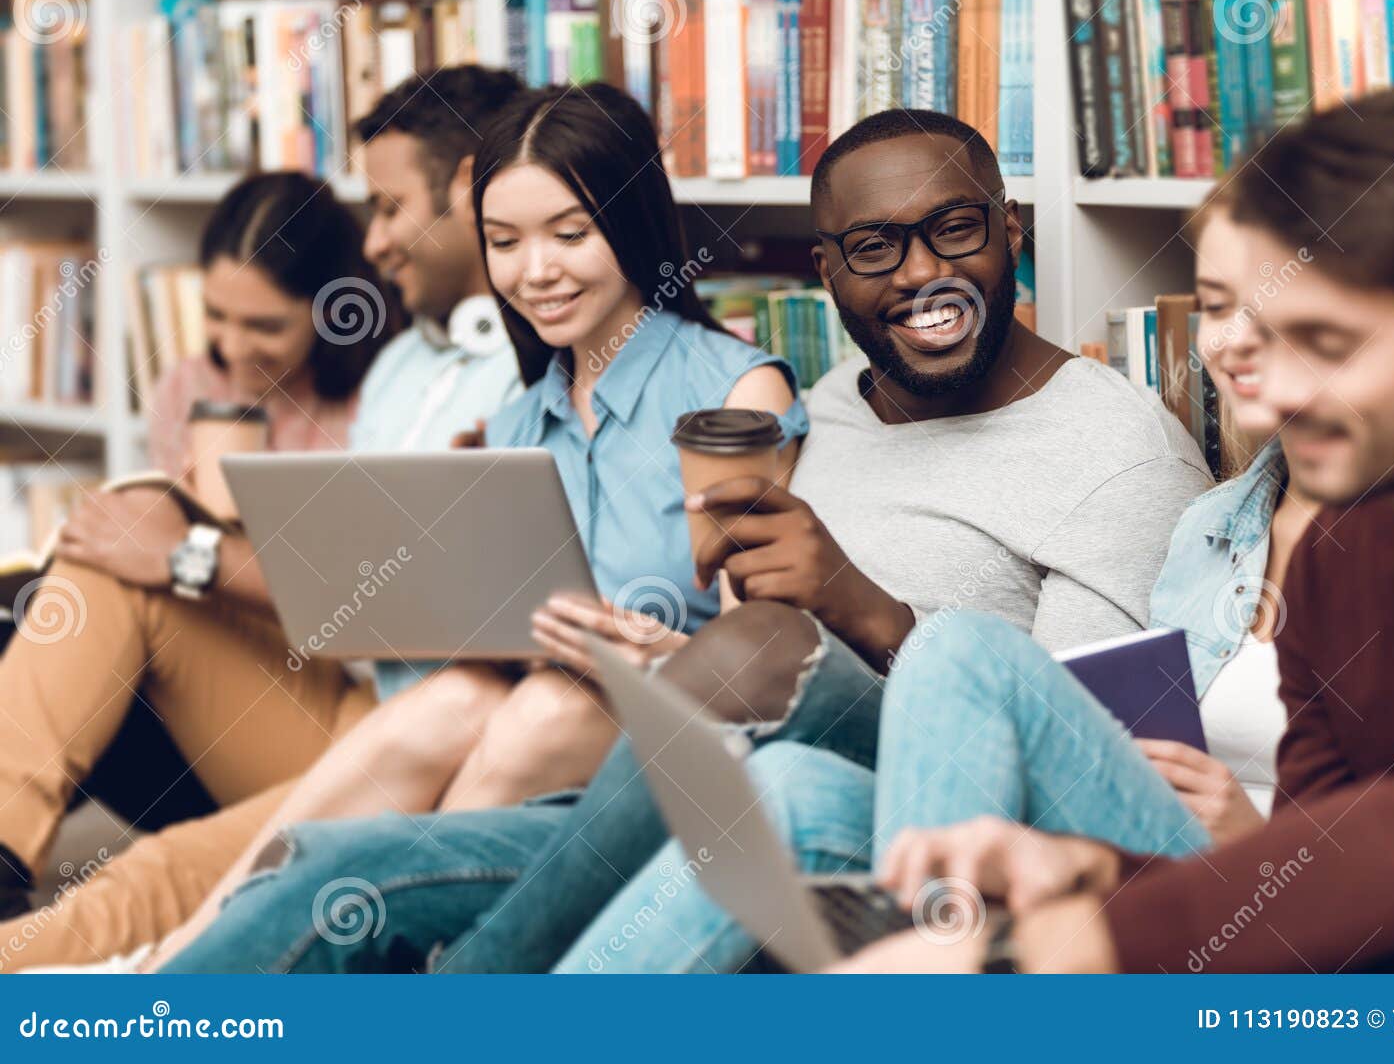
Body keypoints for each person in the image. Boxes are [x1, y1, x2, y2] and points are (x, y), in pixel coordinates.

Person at [162, 107, 1213, 974]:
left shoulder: (1112, 447)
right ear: (826, 270)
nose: (917, 277)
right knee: (331, 865)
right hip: (711, 759)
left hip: (912, 816)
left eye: (954, 231)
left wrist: (860, 605)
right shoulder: (834, 404)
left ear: (1012, 230)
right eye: (873, 248)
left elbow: (1085, 755)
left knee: (757, 708)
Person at [837, 85, 1394, 973]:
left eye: (1322, 341)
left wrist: (1089, 936)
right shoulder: (1335, 549)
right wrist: (1098, 870)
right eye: (1240, 321)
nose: (1261, 387)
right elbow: (1311, 891)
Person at [550, 188, 1321, 973]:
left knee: (937, 647)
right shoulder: (1220, 526)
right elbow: (1122, 730)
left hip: (1274, 907)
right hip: (1125, 850)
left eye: (1285, 312)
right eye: (1219, 305)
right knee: (782, 784)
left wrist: (1262, 844)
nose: (1231, 345)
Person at [138, 81, 805, 971]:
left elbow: (766, 650)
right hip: (537, 703)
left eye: (570, 233)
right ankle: (190, 955)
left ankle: (396, 963)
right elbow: (503, 616)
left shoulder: (734, 391)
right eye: (504, 242)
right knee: (451, 700)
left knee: (538, 710)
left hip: (681, 724)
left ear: (635, 223)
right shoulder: (520, 420)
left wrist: (644, 653)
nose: (536, 271)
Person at [0, 65, 528, 967]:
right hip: (350, 690)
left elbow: (427, 593)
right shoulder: (406, 365)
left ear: (470, 187)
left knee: (154, 873)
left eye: (391, 207)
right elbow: (355, 575)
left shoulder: (530, 369)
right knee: (115, 538)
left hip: (446, 730)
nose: (378, 239)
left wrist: (196, 556)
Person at [140, 171, 401, 479]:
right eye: (215, 314)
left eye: (265, 327)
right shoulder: (184, 389)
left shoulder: (382, 396)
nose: (233, 350)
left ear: (334, 310)